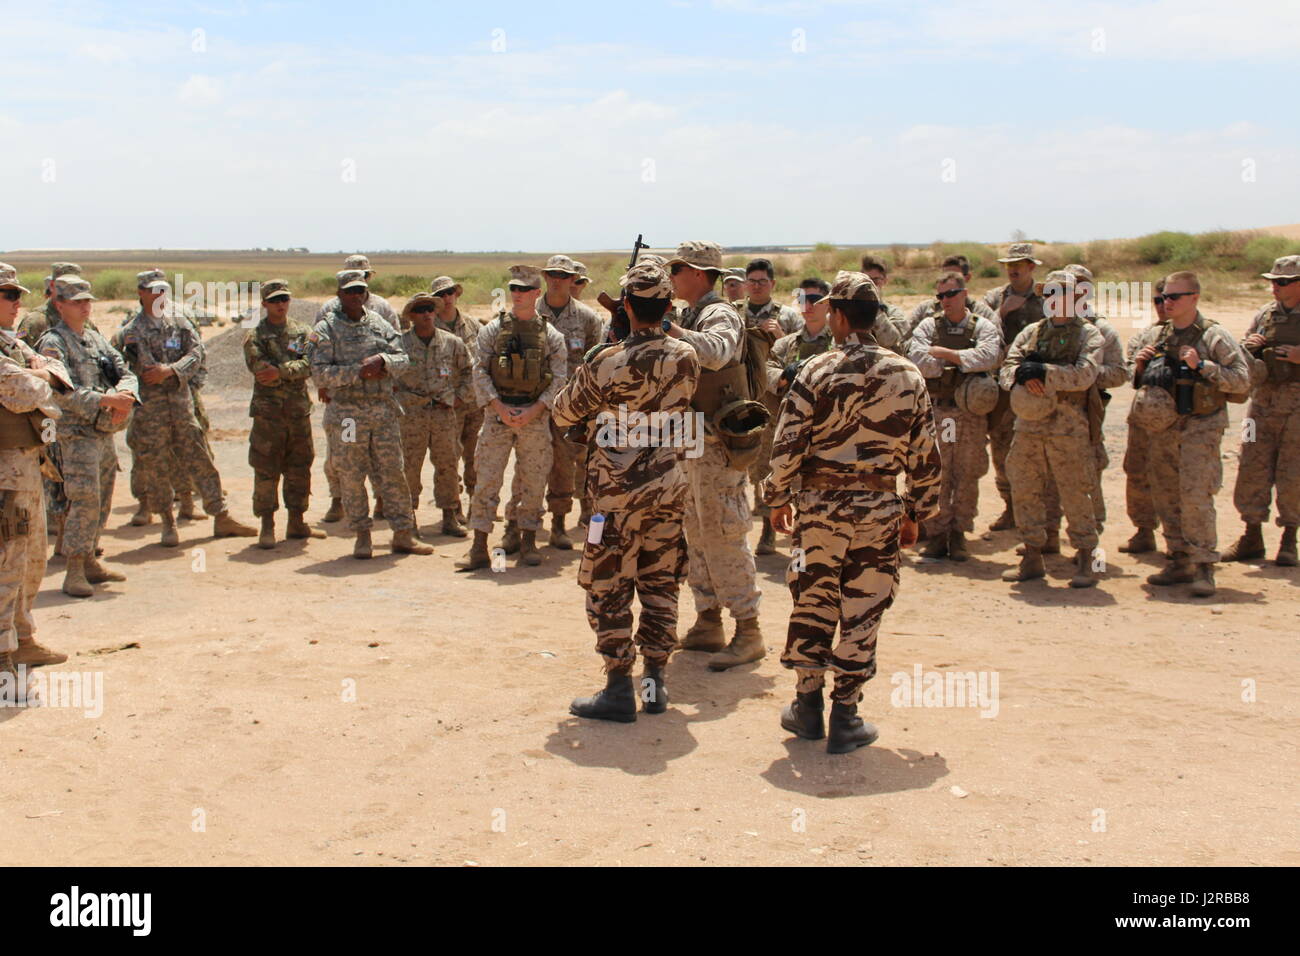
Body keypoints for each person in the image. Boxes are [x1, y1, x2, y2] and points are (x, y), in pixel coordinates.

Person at [763, 271, 941, 753]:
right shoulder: (907, 373)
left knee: (813, 598)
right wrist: (916, 511)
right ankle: (847, 713)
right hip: (880, 506)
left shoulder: (816, 370)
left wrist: (777, 497)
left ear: (838, 315)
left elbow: (787, 445)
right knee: (864, 606)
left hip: (820, 508)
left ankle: (806, 706)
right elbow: (925, 452)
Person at [552, 261, 700, 721]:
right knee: (660, 584)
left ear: (628, 307)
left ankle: (618, 687)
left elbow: (562, 413)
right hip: (667, 492)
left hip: (613, 500)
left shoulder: (606, 359)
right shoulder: (686, 356)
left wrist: (611, 348)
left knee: (608, 586)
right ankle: (654, 684)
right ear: (668, 306)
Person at [663, 241, 765, 671]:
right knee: (695, 531)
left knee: (723, 532)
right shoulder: (689, 314)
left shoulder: (719, 313)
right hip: (690, 439)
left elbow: (717, 351)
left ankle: (749, 628)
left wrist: (672, 333)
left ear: (700, 274)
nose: (673, 276)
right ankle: (708, 620)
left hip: (717, 443)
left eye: (679, 269)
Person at [1135, 271, 1251, 595]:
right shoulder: (1159, 336)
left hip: (1201, 425)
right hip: (1165, 429)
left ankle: (1203, 566)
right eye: (1163, 298)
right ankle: (1178, 560)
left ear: (1194, 298)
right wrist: (1142, 366)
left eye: (1174, 297)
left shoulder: (1214, 336)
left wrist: (1203, 367)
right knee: (1166, 492)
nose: (1166, 303)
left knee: (1196, 496)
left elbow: (1242, 381)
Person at [118, 273, 255, 546]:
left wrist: (171, 370)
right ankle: (168, 522)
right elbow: (146, 368)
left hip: (182, 406)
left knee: (200, 459)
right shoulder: (131, 331)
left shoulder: (179, 322)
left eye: (163, 291)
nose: (159, 296)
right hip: (151, 412)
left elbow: (197, 353)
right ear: (141, 293)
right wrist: (166, 371)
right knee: (157, 466)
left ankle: (221, 515)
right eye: (153, 291)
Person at [308, 270, 432, 558]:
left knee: (393, 471)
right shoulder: (326, 329)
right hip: (348, 414)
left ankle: (403, 533)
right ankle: (362, 535)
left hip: (383, 410)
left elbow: (403, 359)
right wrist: (357, 372)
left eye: (360, 290)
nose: (355, 295)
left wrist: (383, 361)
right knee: (352, 472)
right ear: (339, 294)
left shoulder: (379, 323)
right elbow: (318, 372)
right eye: (349, 291)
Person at [998, 271, 1104, 588]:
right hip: (1029, 423)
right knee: (1025, 487)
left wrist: (1045, 372)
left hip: (1068, 425)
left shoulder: (1090, 335)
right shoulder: (1032, 332)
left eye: (1062, 293)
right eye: (1049, 294)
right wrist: (1021, 374)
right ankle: (1032, 555)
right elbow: (1006, 368)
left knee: (1075, 490)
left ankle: (1085, 556)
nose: (1054, 299)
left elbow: (1085, 374)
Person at [457, 265, 567, 570]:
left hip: (534, 416)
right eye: (513, 289)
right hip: (497, 417)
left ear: (536, 293)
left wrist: (535, 409)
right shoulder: (493, 329)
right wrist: (499, 407)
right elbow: (479, 370)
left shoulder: (551, 335)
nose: (516, 295)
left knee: (533, 481)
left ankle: (528, 540)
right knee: (487, 480)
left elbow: (559, 378)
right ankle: (479, 546)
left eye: (523, 290)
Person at [37, 276, 138, 596]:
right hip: (74, 434)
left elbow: (125, 370)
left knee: (104, 496)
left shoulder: (95, 339)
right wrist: (107, 401)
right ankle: (74, 569)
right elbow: (61, 393)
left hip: (102, 431)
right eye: (77, 301)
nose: (85, 306)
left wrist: (126, 395)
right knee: (84, 499)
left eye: (87, 301)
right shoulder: (53, 342)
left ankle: (92, 557)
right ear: (59, 304)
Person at [0, 262, 72, 676]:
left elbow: (62, 375)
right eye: (8, 295)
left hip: (28, 464)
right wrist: (42, 375)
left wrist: (41, 372)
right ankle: (2, 653)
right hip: (5, 473)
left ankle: (23, 640)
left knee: (32, 560)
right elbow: (23, 393)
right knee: (7, 563)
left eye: (19, 295)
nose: (17, 302)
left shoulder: (11, 343)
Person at [907, 272, 1001, 560]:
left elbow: (989, 357)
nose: (945, 300)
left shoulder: (983, 326)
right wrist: (962, 360)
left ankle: (959, 532)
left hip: (970, 413)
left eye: (951, 294)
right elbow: (918, 360)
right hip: (939, 412)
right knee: (938, 472)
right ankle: (937, 533)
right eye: (941, 296)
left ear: (965, 294)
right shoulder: (928, 326)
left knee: (967, 473)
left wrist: (946, 355)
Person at [1222, 255, 1300, 567]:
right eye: (1273, 281)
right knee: (1252, 466)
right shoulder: (1265, 314)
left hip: (1297, 405)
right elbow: (1241, 358)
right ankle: (1251, 536)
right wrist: (1249, 346)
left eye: (1282, 282)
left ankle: (1289, 540)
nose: (1275, 287)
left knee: (1293, 471)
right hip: (1262, 403)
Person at [527, 255, 604, 550]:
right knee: (529, 465)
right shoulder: (529, 312)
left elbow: (595, 365)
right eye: (552, 274)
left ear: (573, 280)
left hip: (570, 407)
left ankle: (559, 525)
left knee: (564, 466)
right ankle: (521, 527)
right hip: (533, 403)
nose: (557, 280)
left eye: (563, 275)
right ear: (545, 278)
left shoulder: (587, 318)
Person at [242, 279, 324, 549]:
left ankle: (297, 521)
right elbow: (261, 371)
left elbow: (310, 364)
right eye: (275, 300)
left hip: (298, 413)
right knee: (266, 468)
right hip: (269, 416)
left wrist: (282, 372)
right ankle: (267, 525)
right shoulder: (254, 336)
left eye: (285, 299)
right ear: (264, 303)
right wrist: (288, 371)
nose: (281, 304)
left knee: (300, 467)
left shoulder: (304, 332)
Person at [396, 292, 473, 538]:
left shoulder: (451, 343)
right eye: (420, 310)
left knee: (448, 465)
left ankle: (450, 516)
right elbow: (388, 378)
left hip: (443, 414)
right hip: (411, 416)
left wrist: (459, 397)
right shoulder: (400, 345)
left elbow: (470, 372)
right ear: (411, 316)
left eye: (430, 309)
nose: (426, 314)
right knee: (409, 467)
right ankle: (409, 520)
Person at [737, 257, 800, 555]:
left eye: (763, 281)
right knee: (736, 463)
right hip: (738, 399)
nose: (757, 286)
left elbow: (799, 361)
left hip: (773, 404)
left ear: (773, 284)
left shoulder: (787, 316)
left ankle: (768, 530)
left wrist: (779, 336)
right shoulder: (732, 314)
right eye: (752, 281)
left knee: (768, 464)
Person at [983, 243, 1046, 533]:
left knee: (1041, 449)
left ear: (1032, 266)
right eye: (1009, 264)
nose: (1012, 268)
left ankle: (1043, 514)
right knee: (1001, 447)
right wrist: (1002, 312)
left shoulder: (1047, 296)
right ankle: (1010, 508)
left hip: (1038, 385)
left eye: (1018, 263)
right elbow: (981, 333)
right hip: (1003, 386)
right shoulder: (995, 297)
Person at [429, 276, 482, 522]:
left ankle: (476, 504)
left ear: (456, 294)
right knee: (448, 458)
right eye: (441, 295)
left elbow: (484, 362)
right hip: (446, 406)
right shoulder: (430, 328)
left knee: (476, 457)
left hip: (474, 404)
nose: (446, 298)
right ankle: (453, 507)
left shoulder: (473, 325)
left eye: (450, 292)